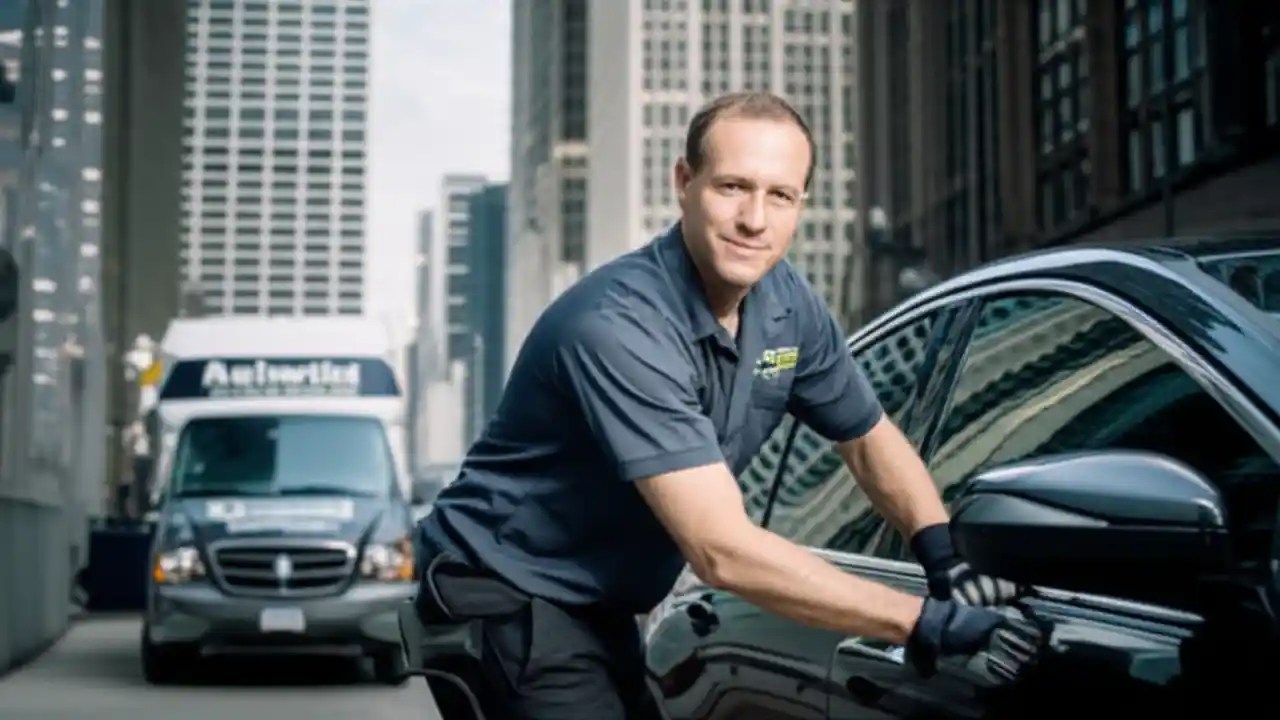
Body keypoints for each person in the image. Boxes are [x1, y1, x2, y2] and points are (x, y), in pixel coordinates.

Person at [414, 91, 1046, 719]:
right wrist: (924, 621)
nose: (754, 219)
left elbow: (866, 438)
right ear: (684, 184)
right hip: (502, 584)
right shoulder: (619, 325)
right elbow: (721, 550)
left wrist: (942, 555)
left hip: (598, 597)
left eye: (780, 195)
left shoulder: (787, 304)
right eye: (733, 187)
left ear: (801, 205)